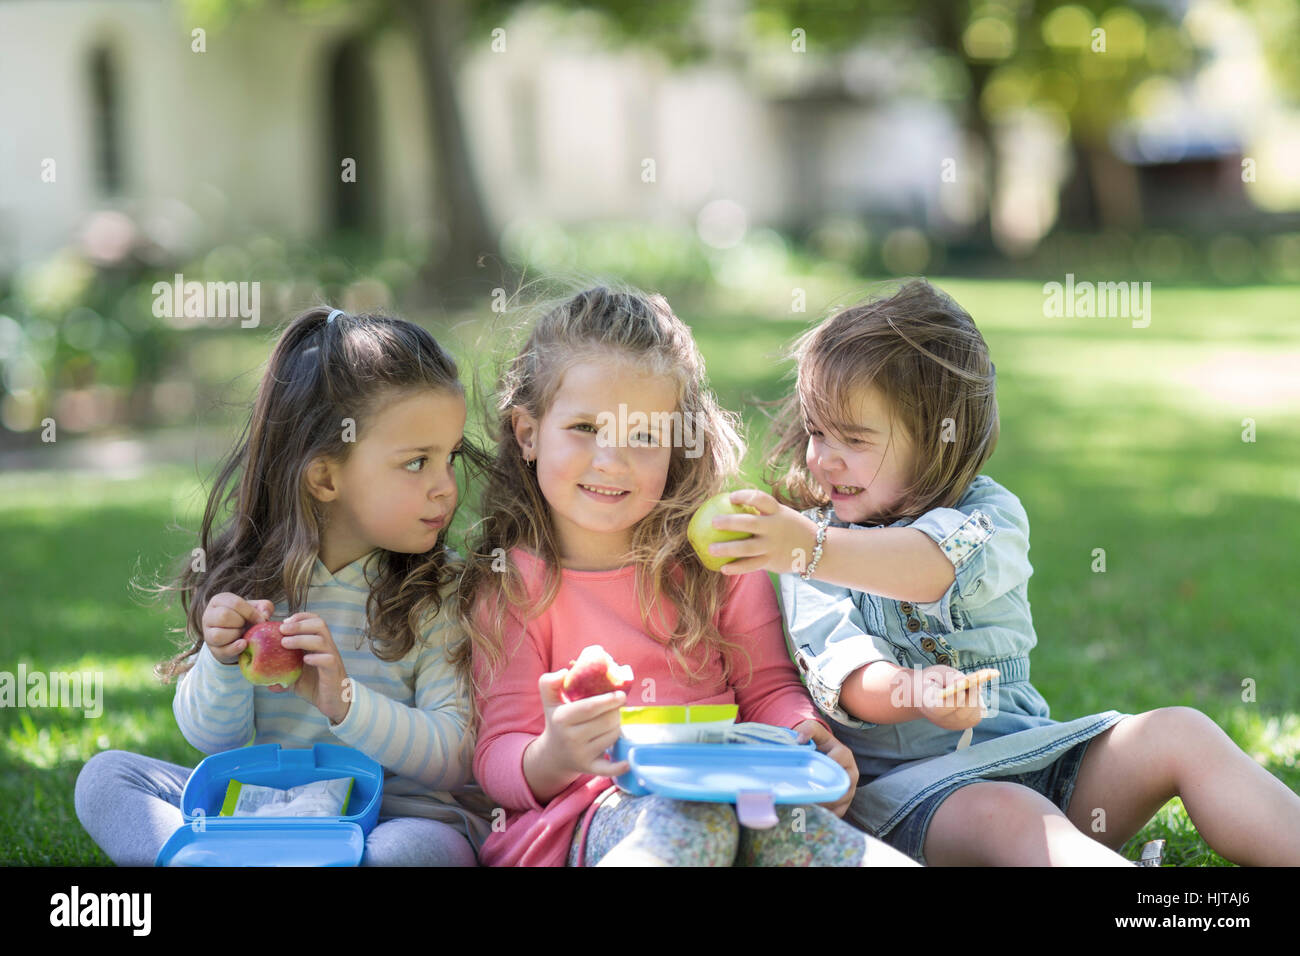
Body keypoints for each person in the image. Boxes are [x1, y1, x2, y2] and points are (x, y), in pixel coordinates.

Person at [705, 278, 1300, 865]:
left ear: (940, 441)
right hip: (921, 800)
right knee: (1016, 815)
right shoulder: (808, 552)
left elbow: (930, 567)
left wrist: (808, 544)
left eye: (854, 439)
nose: (823, 458)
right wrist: (915, 690)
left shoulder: (985, 516)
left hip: (1039, 758)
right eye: (816, 432)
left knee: (1182, 731)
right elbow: (853, 681)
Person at [455, 285, 916, 867]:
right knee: (693, 825)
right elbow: (498, 756)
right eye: (584, 428)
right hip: (592, 812)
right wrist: (557, 752)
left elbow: (768, 690)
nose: (611, 459)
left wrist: (806, 735)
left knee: (810, 842)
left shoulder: (717, 562)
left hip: (739, 791)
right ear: (527, 433)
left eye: (644, 436)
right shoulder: (514, 585)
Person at [75, 306, 488, 865]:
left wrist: (345, 702)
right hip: (269, 809)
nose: (446, 488)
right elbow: (210, 739)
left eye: (449, 458)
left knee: (412, 852)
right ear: (325, 477)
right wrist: (221, 662)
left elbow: (455, 756)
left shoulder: (441, 592)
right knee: (107, 777)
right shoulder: (252, 585)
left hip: (394, 816)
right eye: (417, 463)